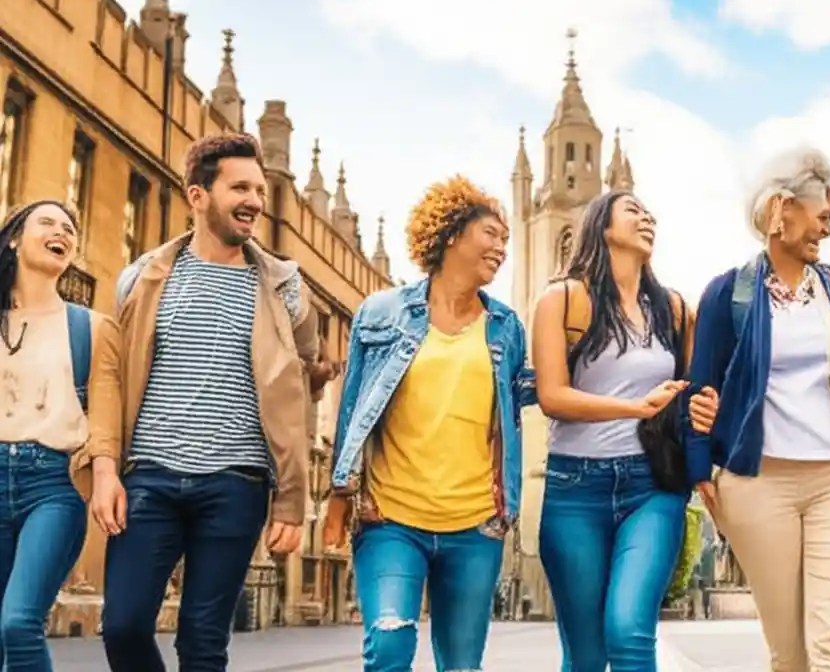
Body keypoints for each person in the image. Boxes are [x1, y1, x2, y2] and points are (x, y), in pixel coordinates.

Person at [93, 134, 321, 671]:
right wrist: (106, 469)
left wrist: (291, 499)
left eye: (260, 190)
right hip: (149, 477)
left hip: (235, 484)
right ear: (198, 195)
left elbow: (300, 385)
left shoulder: (286, 289)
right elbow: (111, 380)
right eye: (239, 187)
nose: (255, 201)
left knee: (202, 641)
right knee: (123, 626)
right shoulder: (142, 279)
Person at [685, 147, 830, 671]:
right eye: (821, 216)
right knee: (790, 653)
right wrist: (701, 470)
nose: (827, 229)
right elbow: (700, 387)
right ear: (783, 209)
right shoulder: (727, 293)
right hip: (760, 485)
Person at [324, 176, 536, 672]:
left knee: (462, 666)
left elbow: (528, 400)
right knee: (390, 646)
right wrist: (338, 496)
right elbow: (354, 408)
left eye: (506, 239)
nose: (501, 248)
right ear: (451, 235)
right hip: (392, 520)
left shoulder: (506, 327)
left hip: (475, 525)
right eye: (490, 234)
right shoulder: (381, 314)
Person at [530, 190, 718, 671]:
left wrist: (707, 412)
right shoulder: (561, 301)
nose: (647, 216)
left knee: (630, 632)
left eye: (649, 211)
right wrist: (633, 407)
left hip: (651, 487)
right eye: (633, 209)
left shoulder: (674, 309)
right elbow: (553, 396)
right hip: (575, 489)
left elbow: (697, 391)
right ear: (601, 225)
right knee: (586, 655)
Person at [0, 201, 120, 671]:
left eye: (70, 228)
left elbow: (106, 417)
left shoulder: (90, 328)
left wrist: (107, 477)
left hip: (52, 483)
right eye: (47, 222)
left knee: (17, 621)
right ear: (14, 238)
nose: (62, 232)